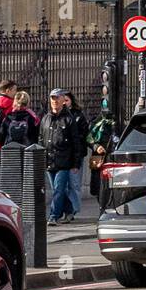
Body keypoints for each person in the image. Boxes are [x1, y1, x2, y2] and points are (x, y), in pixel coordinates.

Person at [44, 90, 86, 225]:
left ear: (63, 101)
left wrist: (75, 163)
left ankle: (53, 215)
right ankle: (69, 209)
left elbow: (75, 142)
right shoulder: (46, 119)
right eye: (52, 98)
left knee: (58, 189)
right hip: (50, 160)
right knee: (59, 190)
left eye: (57, 98)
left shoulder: (69, 119)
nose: (54, 101)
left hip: (64, 161)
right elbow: (41, 139)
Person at [65, 92, 88, 217]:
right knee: (63, 185)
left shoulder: (78, 116)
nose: (64, 103)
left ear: (71, 101)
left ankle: (73, 210)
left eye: (67, 100)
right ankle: (67, 210)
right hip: (62, 155)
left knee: (74, 183)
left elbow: (84, 134)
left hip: (76, 154)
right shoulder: (55, 115)